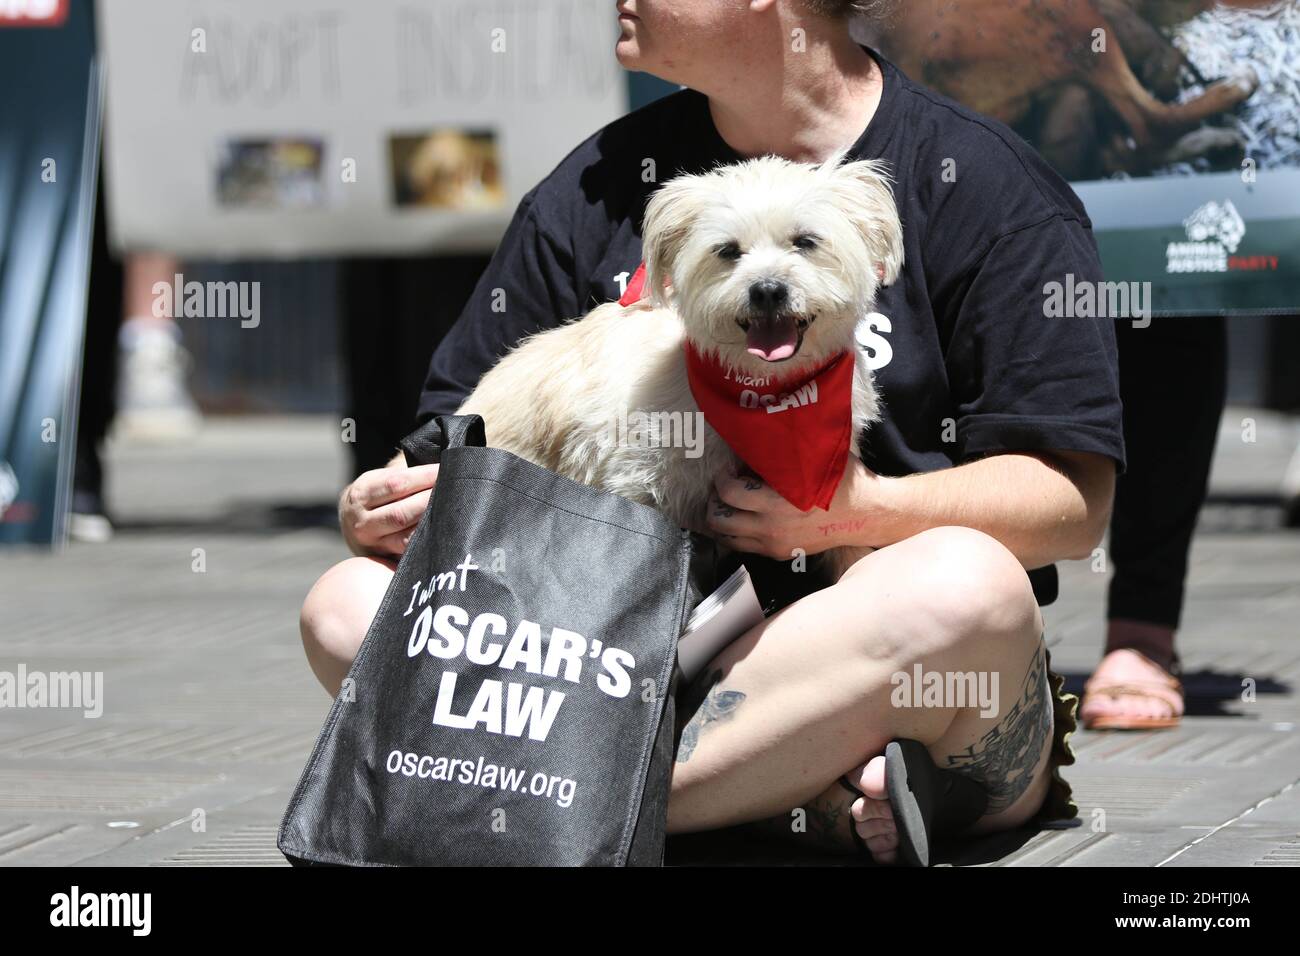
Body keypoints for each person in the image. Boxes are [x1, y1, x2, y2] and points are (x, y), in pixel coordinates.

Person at [300, 0, 1124, 864]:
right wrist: (383, 501)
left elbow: (1074, 502)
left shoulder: (983, 185)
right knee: (343, 606)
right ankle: (778, 798)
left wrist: (853, 513)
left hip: (859, 657)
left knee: (968, 587)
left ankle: (526, 804)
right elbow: (458, 434)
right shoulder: (604, 182)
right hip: (604, 663)